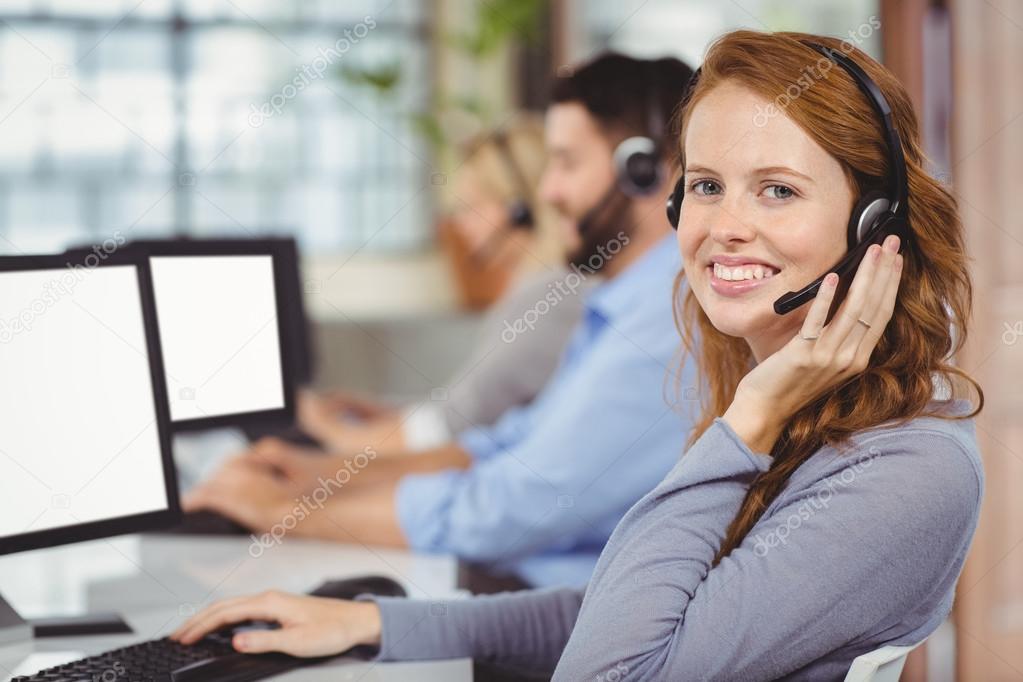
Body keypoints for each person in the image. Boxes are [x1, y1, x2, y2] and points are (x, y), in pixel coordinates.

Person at [174, 30, 985, 679]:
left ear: (874, 224)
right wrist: (372, 623)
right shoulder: (804, 412)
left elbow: (614, 666)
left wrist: (747, 421)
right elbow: (627, 611)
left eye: (776, 189)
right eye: (706, 185)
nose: (724, 226)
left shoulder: (906, 467)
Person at [184, 53, 699, 591]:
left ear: (645, 172)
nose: (547, 193)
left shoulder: (664, 323)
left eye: (567, 163)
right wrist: (319, 480)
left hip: (561, 622)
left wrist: (285, 512)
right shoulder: (618, 304)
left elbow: (507, 509)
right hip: (525, 591)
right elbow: (500, 448)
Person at [300, 115, 591, 453]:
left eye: (472, 206)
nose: (460, 223)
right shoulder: (547, 285)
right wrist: (385, 414)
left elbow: (451, 428)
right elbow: (469, 408)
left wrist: (326, 429)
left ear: (519, 210)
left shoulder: (549, 295)